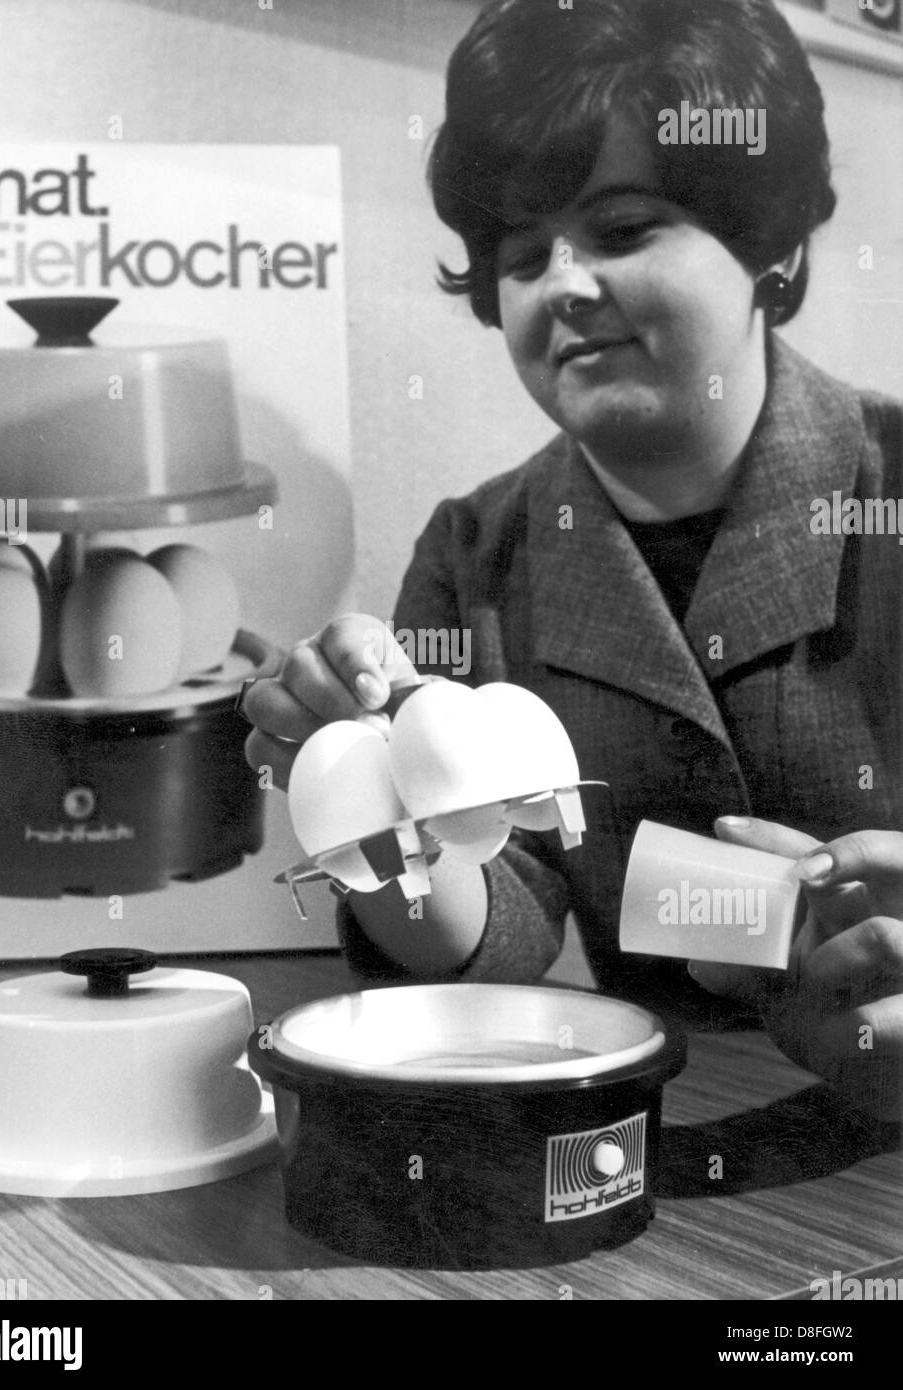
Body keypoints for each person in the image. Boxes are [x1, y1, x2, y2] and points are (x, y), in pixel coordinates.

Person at [239, 0, 902, 1120]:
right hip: (652, 1144)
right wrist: (376, 789)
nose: (560, 287)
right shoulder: (477, 550)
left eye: (624, 227)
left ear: (770, 238)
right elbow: (495, 938)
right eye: (518, 253)